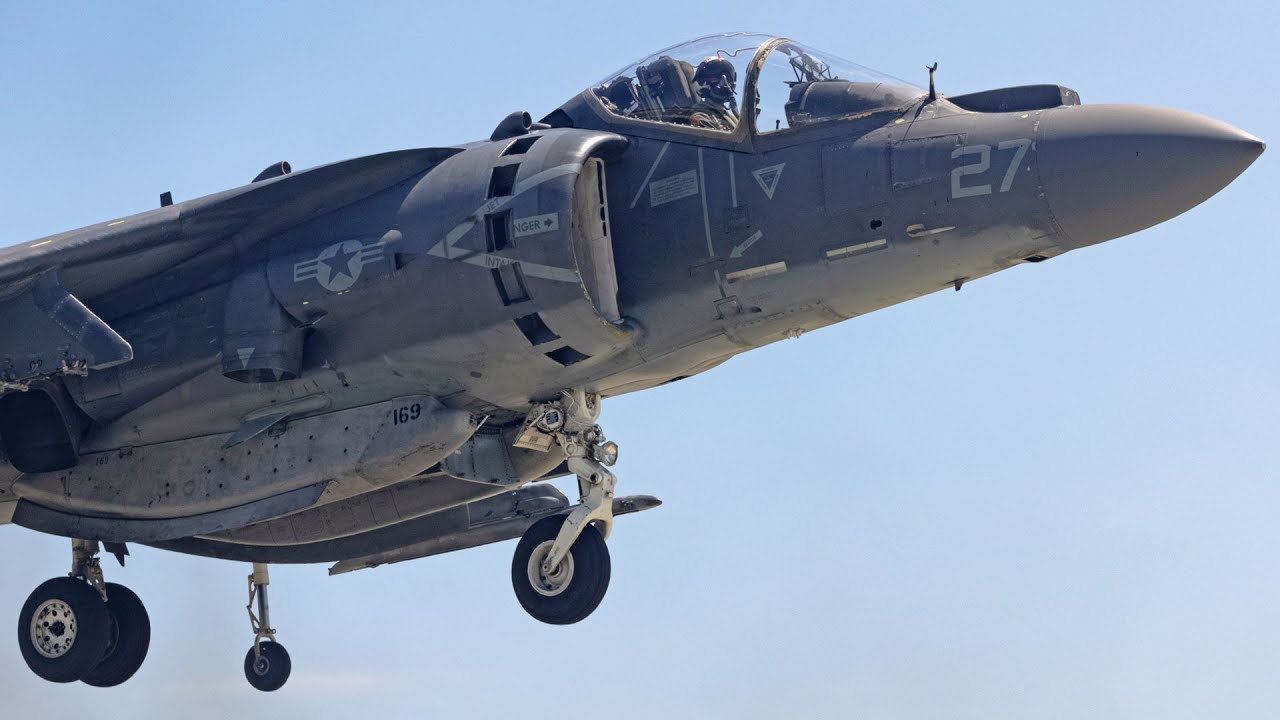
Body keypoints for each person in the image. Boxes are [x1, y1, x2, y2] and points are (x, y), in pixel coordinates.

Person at [689, 56, 738, 131]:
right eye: (717, 79)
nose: (724, 85)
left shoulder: (732, 119)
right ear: (705, 84)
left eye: (727, 80)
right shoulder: (700, 115)